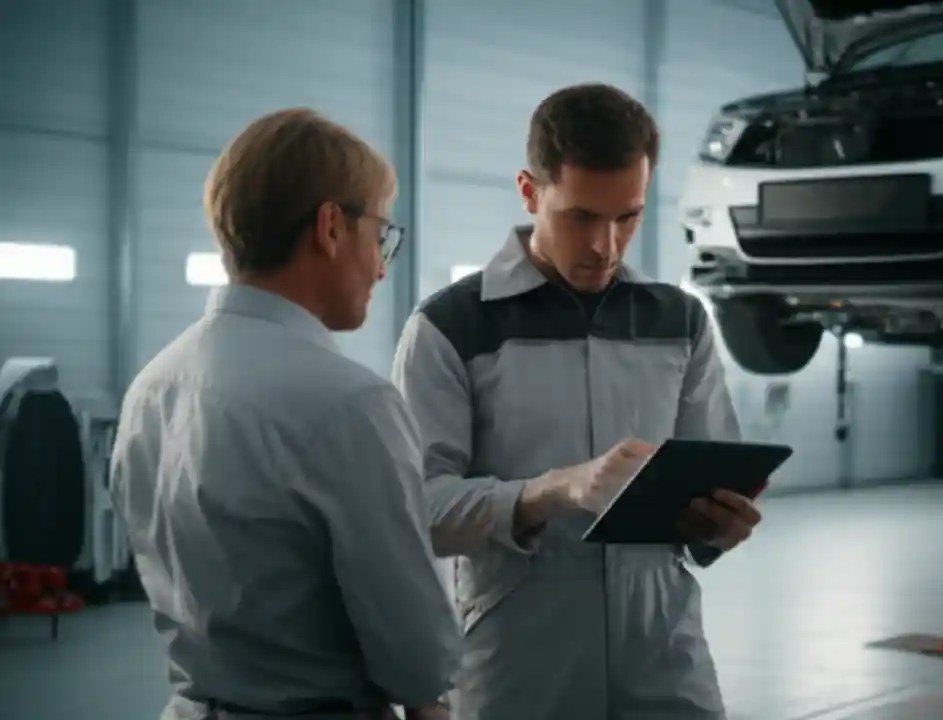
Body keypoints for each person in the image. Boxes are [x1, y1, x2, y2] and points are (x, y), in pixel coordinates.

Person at [391, 83, 764, 719]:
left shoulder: (682, 322)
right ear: (530, 192)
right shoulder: (450, 327)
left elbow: (713, 473)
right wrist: (553, 490)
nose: (607, 246)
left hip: (665, 655)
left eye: (628, 217)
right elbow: (414, 509)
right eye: (581, 217)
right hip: (517, 663)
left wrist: (721, 525)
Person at [109, 108, 459, 720]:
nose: (381, 266)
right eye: (380, 236)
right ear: (330, 226)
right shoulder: (350, 404)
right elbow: (418, 658)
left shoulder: (151, 388)